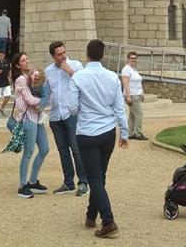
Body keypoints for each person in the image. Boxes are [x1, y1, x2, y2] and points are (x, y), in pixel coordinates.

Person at [65, 39, 129, 239]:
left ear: (87, 54)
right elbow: (119, 108)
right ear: (102, 55)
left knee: (94, 177)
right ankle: (91, 215)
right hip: (108, 132)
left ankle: (108, 221)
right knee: (99, 176)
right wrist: (124, 133)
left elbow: (72, 107)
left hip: (86, 132)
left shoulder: (78, 77)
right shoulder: (112, 77)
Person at [45, 40, 89, 196]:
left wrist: (70, 71)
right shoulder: (48, 71)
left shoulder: (76, 65)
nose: (63, 56)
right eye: (59, 54)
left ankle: (83, 182)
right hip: (56, 116)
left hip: (71, 114)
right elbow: (47, 92)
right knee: (63, 150)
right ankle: (68, 182)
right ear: (53, 56)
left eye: (64, 52)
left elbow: (85, 84)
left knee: (76, 149)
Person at [11, 52, 49, 199]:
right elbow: (29, 99)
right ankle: (22, 185)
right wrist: (44, 101)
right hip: (28, 118)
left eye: (27, 59)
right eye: (23, 60)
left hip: (36, 117)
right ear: (17, 65)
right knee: (28, 152)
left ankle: (32, 181)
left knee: (44, 149)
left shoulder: (28, 77)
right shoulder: (20, 79)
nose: (27, 62)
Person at [119, 51, 147, 140]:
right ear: (128, 59)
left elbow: (138, 83)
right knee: (139, 115)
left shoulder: (134, 69)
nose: (133, 60)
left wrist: (142, 93)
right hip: (132, 95)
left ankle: (130, 133)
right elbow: (125, 83)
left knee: (132, 115)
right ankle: (138, 133)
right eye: (131, 58)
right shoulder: (126, 69)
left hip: (137, 94)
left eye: (135, 58)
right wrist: (128, 96)